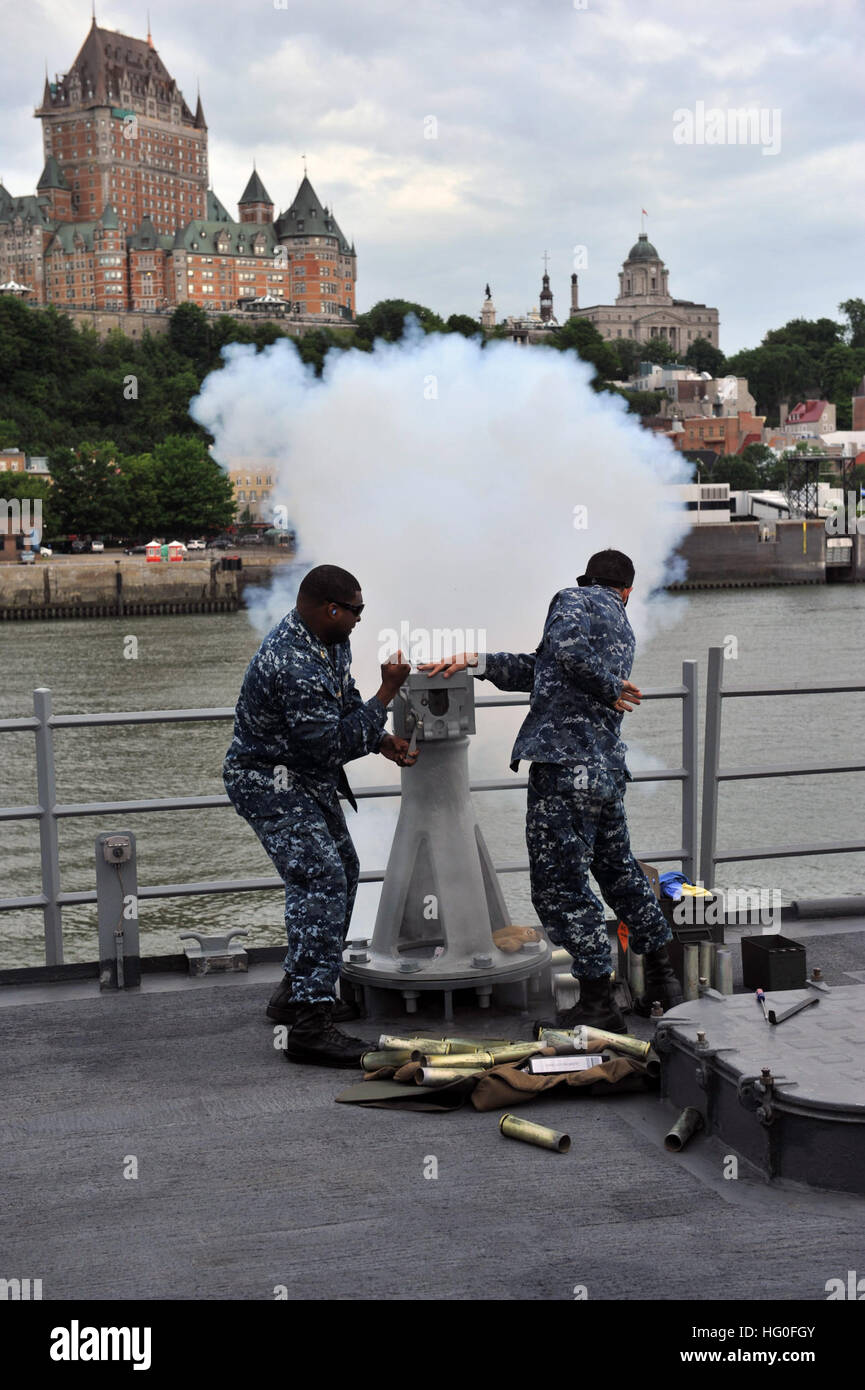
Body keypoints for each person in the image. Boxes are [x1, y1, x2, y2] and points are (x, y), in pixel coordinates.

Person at [420, 548, 682, 1032]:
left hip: (564, 767)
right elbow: (545, 668)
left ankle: (598, 1003)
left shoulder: (573, 599)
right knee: (619, 871)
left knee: (560, 884)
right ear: (627, 590)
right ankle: (667, 984)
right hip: (603, 770)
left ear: (589, 581)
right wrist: (477, 662)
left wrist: (607, 686)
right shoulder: (622, 624)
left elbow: (565, 654)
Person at [223, 564, 417, 1066]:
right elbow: (328, 744)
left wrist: (379, 740)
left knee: (344, 869)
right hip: (269, 781)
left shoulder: (327, 641)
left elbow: (342, 703)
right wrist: (387, 694)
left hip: (303, 779)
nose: (359, 621)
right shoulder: (293, 661)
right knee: (321, 878)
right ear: (332, 608)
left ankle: (294, 992)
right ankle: (310, 1023)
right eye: (356, 611)